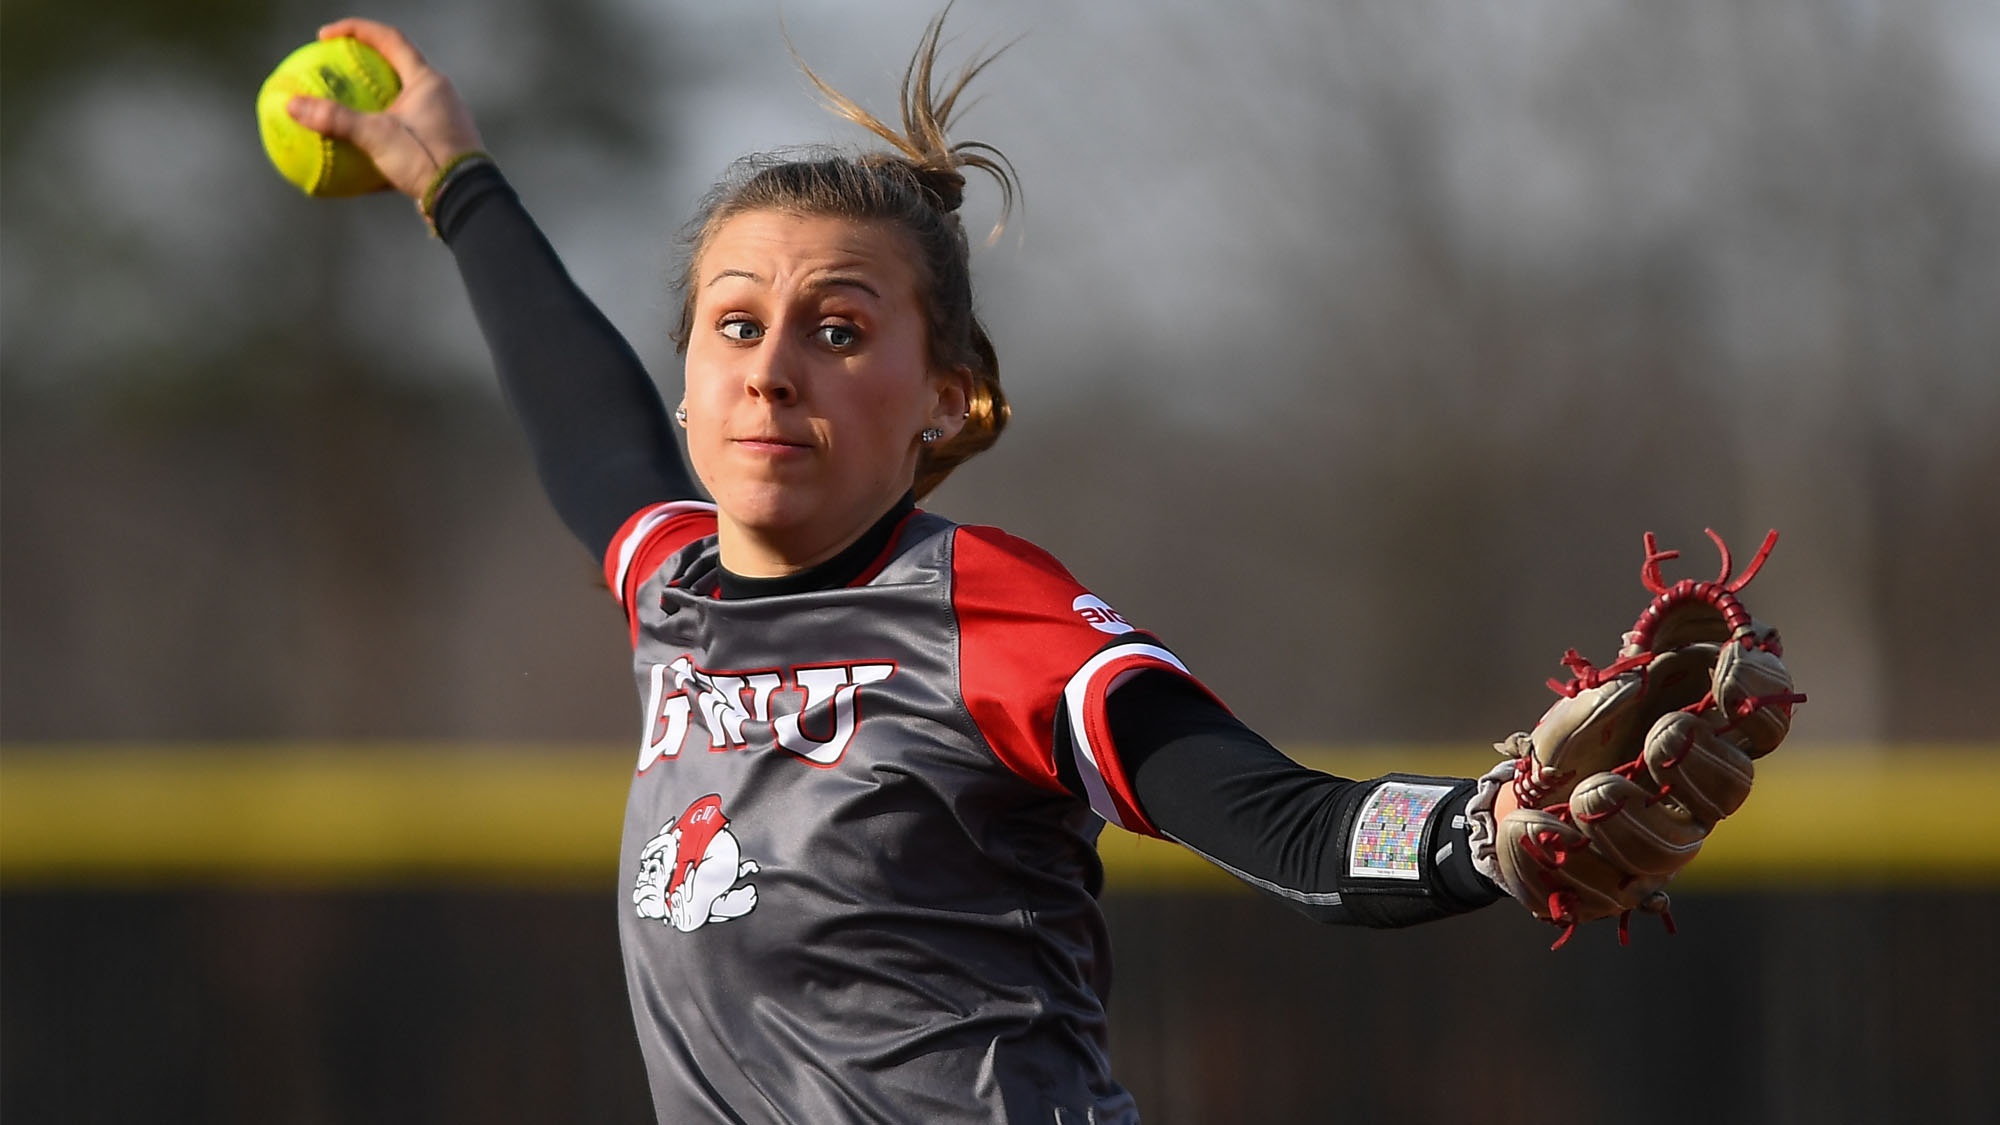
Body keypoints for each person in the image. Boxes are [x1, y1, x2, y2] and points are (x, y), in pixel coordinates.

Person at [285, 14, 1625, 1123]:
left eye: (839, 328)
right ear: (688, 387)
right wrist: (454, 178)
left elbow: (1281, 818)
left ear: (946, 398)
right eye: (734, 324)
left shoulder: (980, 607)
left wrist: (1480, 828)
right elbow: (588, 433)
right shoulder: (679, 591)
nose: (769, 366)